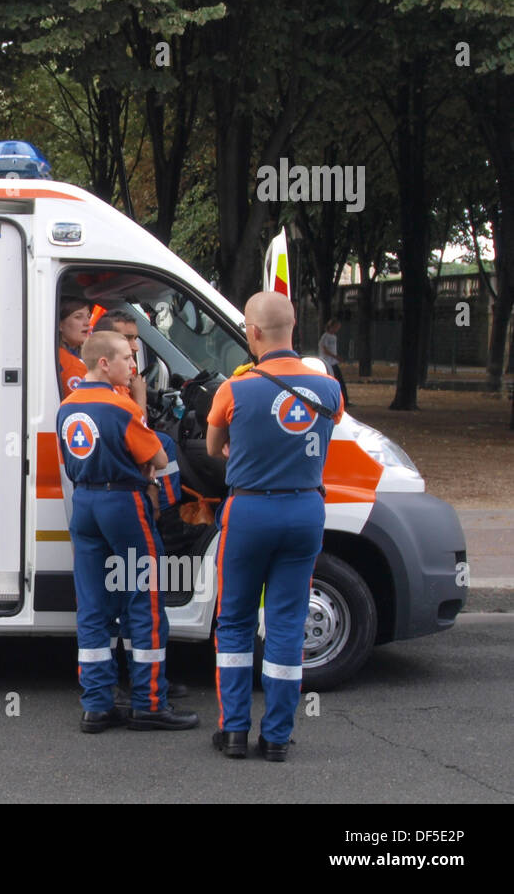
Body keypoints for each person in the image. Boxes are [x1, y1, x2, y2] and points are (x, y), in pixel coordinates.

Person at [205, 292, 343, 761]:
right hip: (305, 511)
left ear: (253, 332)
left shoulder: (235, 388)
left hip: (248, 513)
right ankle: (278, 737)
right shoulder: (328, 388)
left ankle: (233, 732)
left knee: (236, 621)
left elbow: (212, 446)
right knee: (286, 622)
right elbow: (319, 435)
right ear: (295, 325)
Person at [57, 330, 199, 733]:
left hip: (85, 505)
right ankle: (150, 703)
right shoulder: (120, 406)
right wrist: (146, 469)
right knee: (145, 603)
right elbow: (155, 454)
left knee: (93, 607)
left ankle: (97, 705)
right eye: (124, 358)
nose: (132, 366)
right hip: (123, 504)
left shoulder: (67, 407)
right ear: (104, 363)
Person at [57, 297, 91, 397]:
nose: (87, 323)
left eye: (88, 317)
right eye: (78, 317)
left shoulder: (88, 356)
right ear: (60, 325)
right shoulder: (59, 359)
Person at [318, 319, 350, 407]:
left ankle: (344, 400)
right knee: (337, 381)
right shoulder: (325, 336)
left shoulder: (334, 337)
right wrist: (335, 356)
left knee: (340, 382)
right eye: (336, 327)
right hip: (328, 363)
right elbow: (324, 349)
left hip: (333, 362)